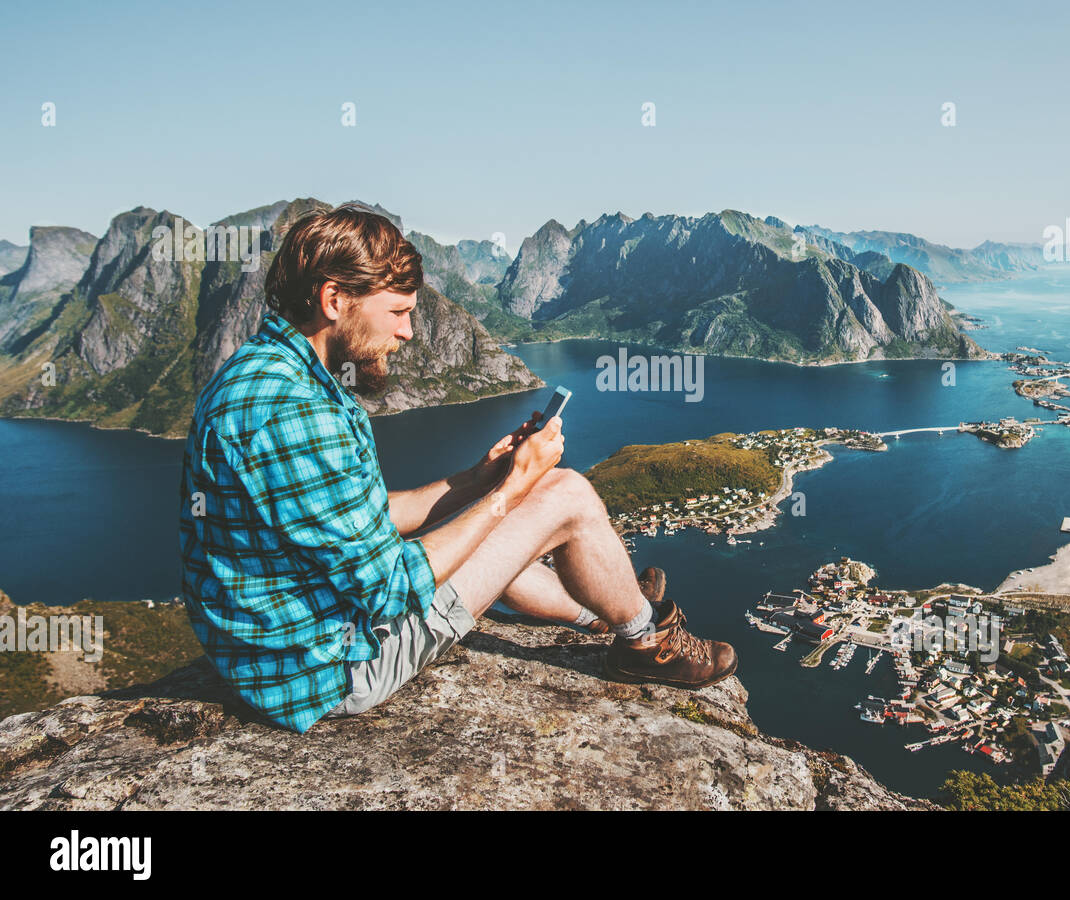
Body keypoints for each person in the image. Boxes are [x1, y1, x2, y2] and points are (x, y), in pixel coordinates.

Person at [178, 203, 737, 733]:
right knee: (564, 492)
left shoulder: (267, 373)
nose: (407, 332)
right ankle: (642, 640)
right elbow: (393, 589)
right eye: (397, 312)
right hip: (331, 671)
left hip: (276, 657)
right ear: (333, 299)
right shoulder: (293, 411)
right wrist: (514, 489)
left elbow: (364, 518)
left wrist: (478, 479)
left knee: (489, 510)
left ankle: (605, 607)